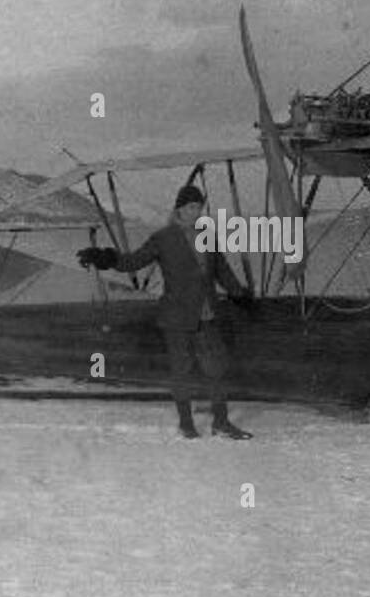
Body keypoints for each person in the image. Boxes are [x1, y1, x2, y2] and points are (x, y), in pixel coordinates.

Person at [77, 184, 254, 440]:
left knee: (217, 369)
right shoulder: (163, 238)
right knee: (181, 371)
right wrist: (104, 257)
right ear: (179, 209)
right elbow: (132, 262)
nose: (196, 212)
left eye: (199, 207)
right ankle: (186, 424)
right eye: (191, 207)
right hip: (177, 318)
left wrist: (239, 294)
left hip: (207, 316)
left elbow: (222, 271)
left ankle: (221, 422)